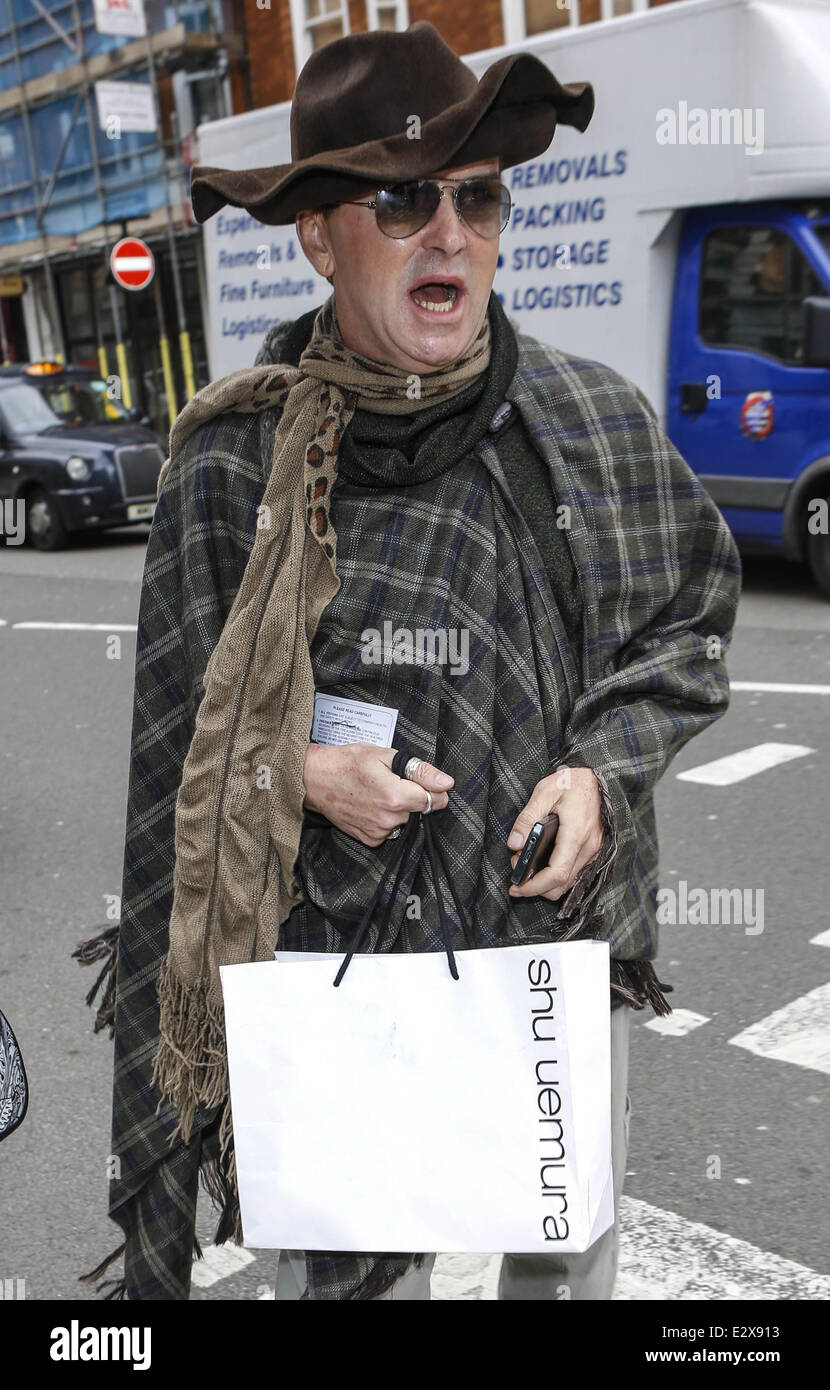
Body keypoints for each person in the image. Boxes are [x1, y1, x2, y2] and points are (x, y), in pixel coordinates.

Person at [76, 21, 741, 1301]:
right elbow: (188, 747)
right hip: (330, 965)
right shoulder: (230, 465)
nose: (448, 234)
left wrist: (601, 770)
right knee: (350, 1285)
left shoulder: (591, 420)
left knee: (559, 1266)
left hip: (550, 948)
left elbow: (689, 621)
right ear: (318, 236)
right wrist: (294, 771)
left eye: (474, 198)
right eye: (399, 200)